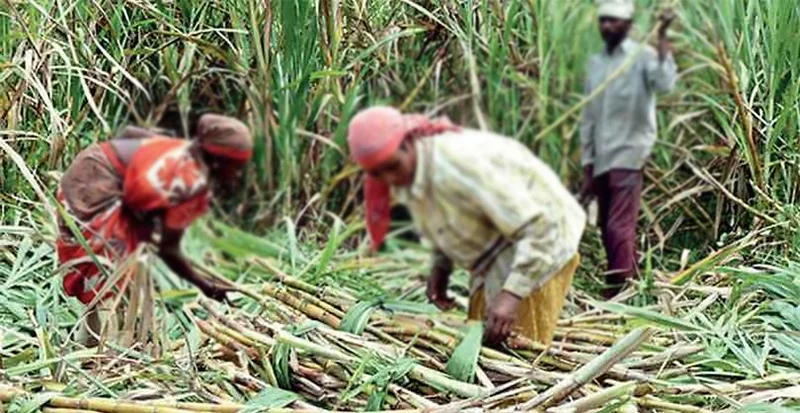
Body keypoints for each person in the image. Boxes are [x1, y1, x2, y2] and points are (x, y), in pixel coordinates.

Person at [347, 106, 585, 346]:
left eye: (392, 166)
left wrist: (512, 294)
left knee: (517, 349)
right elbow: (446, 218)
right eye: (377, 174)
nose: (389, 179)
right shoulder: (412, 171)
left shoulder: (457, 165)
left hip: (541, 243)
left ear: (409, 142)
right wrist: (441, 268)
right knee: (482, 339)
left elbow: (539, 225)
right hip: (494, 247)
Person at [57, 114, 252, 345]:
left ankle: (84, 346)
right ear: (218, 160)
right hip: (94, 189)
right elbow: (168, 249)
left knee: (108, 271)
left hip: (86, 165)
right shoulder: (189, 181)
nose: (237, 175)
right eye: (236, 167)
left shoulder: (178, 149)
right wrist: (207, 286)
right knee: (110, 277)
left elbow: (129, 132)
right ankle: (111, 355)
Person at [579, 0, 677, 297]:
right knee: (605, 222)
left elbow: (664, 83)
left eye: (614, 21)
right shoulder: (596, 64)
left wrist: (662, 39)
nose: (608, 26)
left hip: (629, 152)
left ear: (628, 25)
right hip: (601, 155)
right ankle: (628, 278)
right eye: (604, 20)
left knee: (618, 222)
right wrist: (587, 161)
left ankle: (620, 286)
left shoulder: (643, 56)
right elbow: (589, 116)